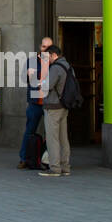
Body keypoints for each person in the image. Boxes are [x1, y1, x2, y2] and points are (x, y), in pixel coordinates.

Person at [18, 36, 52, 169]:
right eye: (44, 47)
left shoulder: (54, 61)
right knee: (29, 130)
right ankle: (24, 158)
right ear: (40, 47)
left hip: (50, 101)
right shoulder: (32, 60)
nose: (46, 50)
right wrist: (27, 74)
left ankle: (48, 159)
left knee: (51, 133)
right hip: (35, 100)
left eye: (49, 47)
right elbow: (23, 78)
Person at [39, 43, 72, 177]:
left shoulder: (56, 68)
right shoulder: (68, 67)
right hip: (64, 106)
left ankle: (55, 168)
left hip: (53, 107)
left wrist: (42, 83)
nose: (48, 60)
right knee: (63, 138)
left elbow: (47, 86)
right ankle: (65, 167)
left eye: (48, 57)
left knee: (53, 138)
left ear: (54, 55)